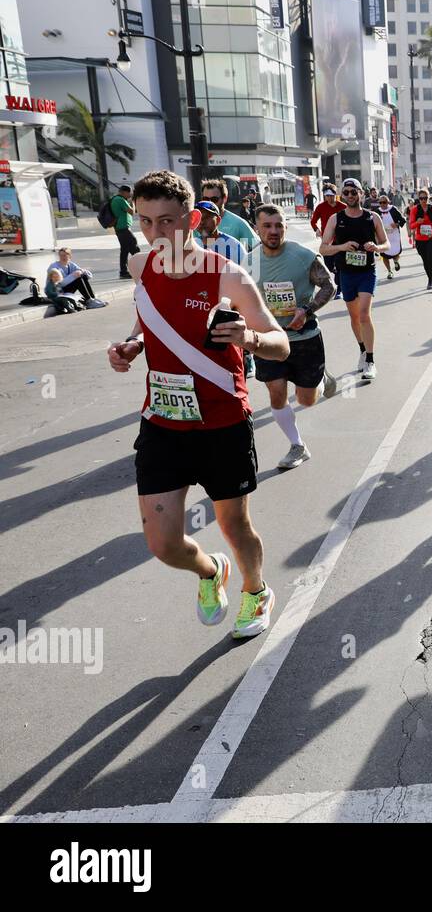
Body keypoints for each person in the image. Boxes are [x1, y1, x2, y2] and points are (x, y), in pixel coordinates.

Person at [105, 170, 288, 640]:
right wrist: (131, 346)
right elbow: (148, 321)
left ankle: (256, 589)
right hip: (163, 421)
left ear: (190, 218)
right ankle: (211, 572)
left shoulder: (226, 274)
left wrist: (248, 338)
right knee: (162, 543)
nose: (156, 233)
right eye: (145, 221)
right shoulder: (140, 267)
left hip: (222, 420)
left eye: (167, 221)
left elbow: (280, 343)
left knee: (234, 523)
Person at [249, 204, 337, 470]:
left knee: (306, 400)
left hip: (305, 337)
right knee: (276, 392)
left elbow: (329, 286)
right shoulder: (248, 261)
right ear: (257, 228)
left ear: (285, 227)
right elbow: (242, 299)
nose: (273, 231)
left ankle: (320, 379)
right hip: (270, 339)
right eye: (267, 226)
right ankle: (297, 445)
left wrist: (306, 310)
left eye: (278, 226)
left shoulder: (303, 256)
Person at [319, 178, 387, 381]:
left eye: (353, 192)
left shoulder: (372, 217)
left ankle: (371, 361)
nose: (350, 195)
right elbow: (323, 248)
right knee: (355, 317)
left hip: (367, 272)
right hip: (346, 273)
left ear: (361, 193)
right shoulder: (335, 219)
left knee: (365, 314)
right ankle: (363, 350)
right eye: (346, 192)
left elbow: (386, 244)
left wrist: (376, 248)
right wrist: (341, 247)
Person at [200, 179, 257, 253]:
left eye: (214, 199)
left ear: (224, 198)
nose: (210, 203)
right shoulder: (197, 224)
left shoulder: (238, 223)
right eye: (206, 199)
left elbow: (259, 248)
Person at [408, 189, 432, 291]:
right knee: (425, 260)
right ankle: (430, 279)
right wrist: (418, 222)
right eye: (421, 198)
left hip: (431, 237)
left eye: (425, 198)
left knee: (430, 258)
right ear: (418, 199)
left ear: (429, 198)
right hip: (420, 239)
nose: (423, 200)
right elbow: (411, 226)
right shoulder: (415, 210)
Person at [195, 199, 249, 268]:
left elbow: (247, 275)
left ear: (218, 220)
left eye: (206, 217)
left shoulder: (235, 247)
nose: (201, 222)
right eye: (198, 218)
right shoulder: (190, 245)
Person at [111, 184, 140, 280]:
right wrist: (133, 202)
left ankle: (124, 271)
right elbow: (132, 212)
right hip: (123, 228)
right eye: (130, 192)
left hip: (120, 228)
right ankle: (140, 268)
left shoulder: (116, 199)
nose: (130, 194)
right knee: (135, 248)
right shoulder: (120, 200)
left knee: (126, 250)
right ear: (124, 192)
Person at [375, 193, 406, 280]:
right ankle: (389, 271)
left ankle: (396, 261)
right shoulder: (377, 211)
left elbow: (403, 220)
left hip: (394, 235)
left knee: (396, 251)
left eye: (384, 202)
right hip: (383, 236)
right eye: (380, 203)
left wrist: (397, 224)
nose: (382, 204)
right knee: (384, 255)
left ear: (388, 202)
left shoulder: (393, 209)